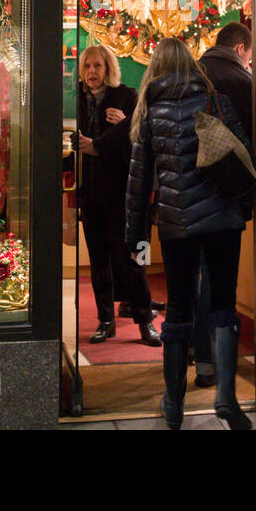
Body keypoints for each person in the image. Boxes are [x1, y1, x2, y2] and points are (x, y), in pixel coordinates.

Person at [125, 37, 254, 430]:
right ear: (191, 64)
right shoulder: (215, 101)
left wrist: (135, 235)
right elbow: (243, 157)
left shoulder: (149, 112)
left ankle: (174, 402)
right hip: (222, 221)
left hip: (176, 223)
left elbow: (138, 180)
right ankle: (226, 398)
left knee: (179, 308)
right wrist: (243, 210)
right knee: (223, 304)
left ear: (156, 67)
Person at [75, 45, 161, 347]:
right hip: (90, 193)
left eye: (97, 66)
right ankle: (105, 321)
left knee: (132, 260)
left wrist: (122, 124)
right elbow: (78, 144)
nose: (91, 73)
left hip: (121, 193)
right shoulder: (79, 100)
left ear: (108, 68)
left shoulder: (126, 96)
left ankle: (144, 322)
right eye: (87, 67)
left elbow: (141, 137)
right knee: (98, 261)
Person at [193, 22, 254, 388]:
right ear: (241, 47)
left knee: (194, 277)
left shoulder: (189, 76)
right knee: (219, 282)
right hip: (226, 193)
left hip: (188, 194)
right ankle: (213, 362)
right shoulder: (243, 83)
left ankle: (196, 354)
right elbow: (251, 141)